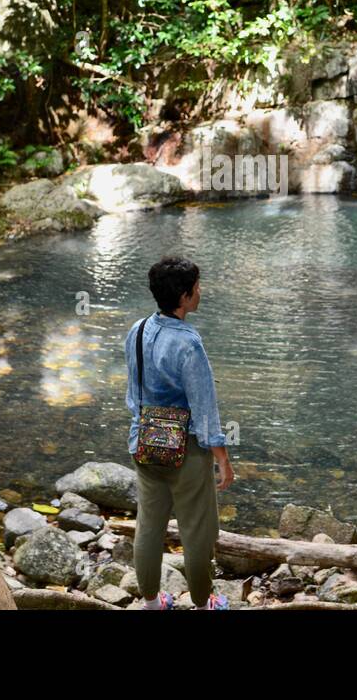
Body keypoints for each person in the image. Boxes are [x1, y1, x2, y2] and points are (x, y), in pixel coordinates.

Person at [125, 256, 236, 610]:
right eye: (198, 287)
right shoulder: (189, 343)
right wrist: (222, 459)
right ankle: (204, 605)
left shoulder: (137, 329)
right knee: (197, 532)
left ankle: (151, 602)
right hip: (184, 450)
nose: (201, 292)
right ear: (185, 296)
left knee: (149, 527)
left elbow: (134, 393)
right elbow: (205, 410)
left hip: (143, 441)